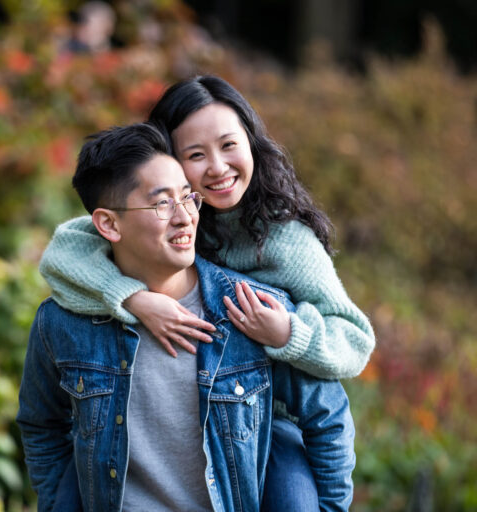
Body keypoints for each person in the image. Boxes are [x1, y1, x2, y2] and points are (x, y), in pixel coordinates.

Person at [38, 75, 375, 508]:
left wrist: (288, 333)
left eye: (229, 145)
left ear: (252, 143)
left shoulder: (286, 242)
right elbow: (63, 255)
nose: (217, 168)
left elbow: (353, 339)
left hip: (267, 420)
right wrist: (134, 298)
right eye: (196, 155)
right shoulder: (160, 217)